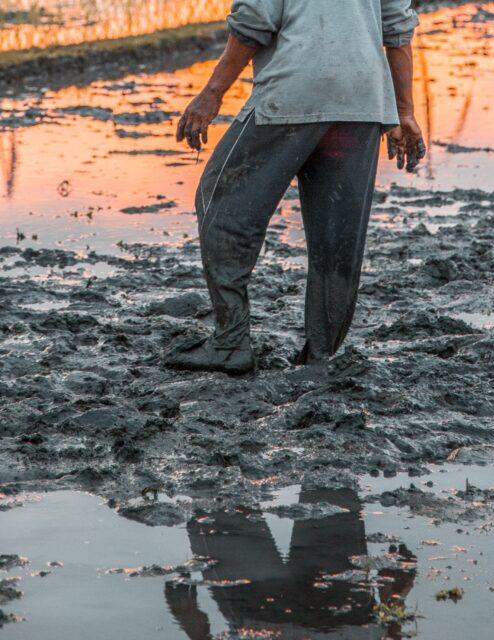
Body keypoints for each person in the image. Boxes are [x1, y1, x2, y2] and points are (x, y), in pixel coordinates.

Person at [163, 0, 427, 375]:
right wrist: (404, 111)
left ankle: (230, 342)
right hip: (362, 99)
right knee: (338, 235)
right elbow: (398, 28)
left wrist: (212, 93)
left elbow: (254, 20)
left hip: (295, 90)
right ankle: (320, 355)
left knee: (221, 201)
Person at [164, 488, 417, 640]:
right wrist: (392, 601)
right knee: (218, 489)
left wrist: (393, 601)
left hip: (280, 616)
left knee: (218, 487)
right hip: (338, 619)